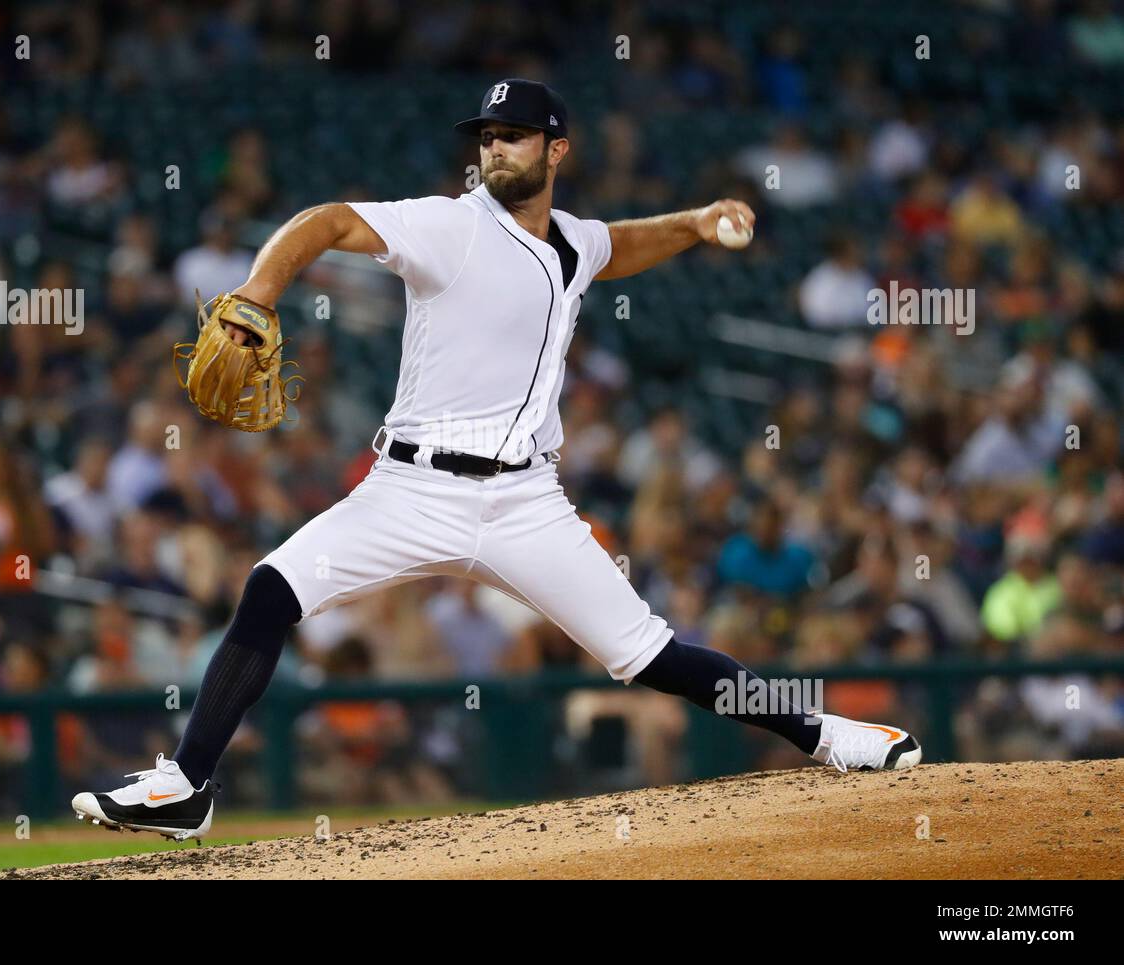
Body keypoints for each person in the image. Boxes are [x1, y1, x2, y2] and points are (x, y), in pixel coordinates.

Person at [71, 80, 920, 842]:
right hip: (408, 487)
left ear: (557, 150)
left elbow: (613, 246)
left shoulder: (570, 243)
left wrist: (695, 224)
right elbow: (326, 221)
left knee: (652, 655)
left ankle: (833, 737)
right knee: (270, 591)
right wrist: (259, 291)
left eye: (514, 134)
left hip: (527, 504)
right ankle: (187, 786)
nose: (495, 148)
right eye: (486, 136)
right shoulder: (448, 225)